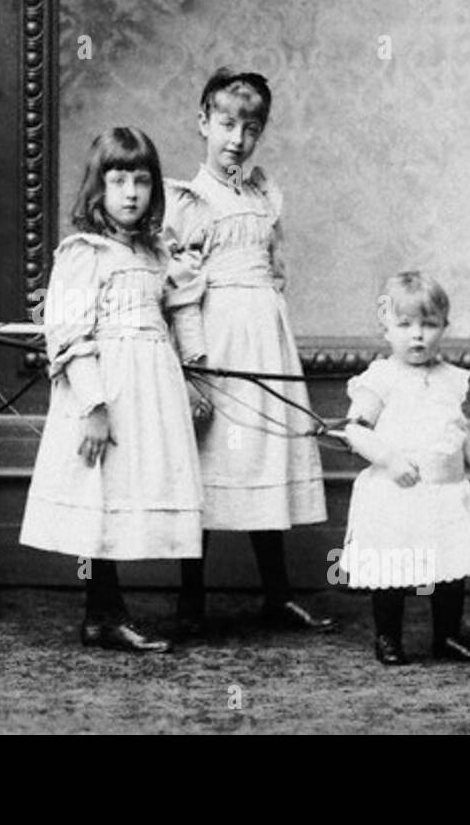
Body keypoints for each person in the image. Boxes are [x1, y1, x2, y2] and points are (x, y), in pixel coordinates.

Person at [163, 68, 334, 636]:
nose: (237, 139)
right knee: (209, 463)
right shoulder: (188, 201)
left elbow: (275, 270)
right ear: (203, 123)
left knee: (264, 453)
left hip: (266, 334)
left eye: (250, 127)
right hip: (218, 339)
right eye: (227, 124)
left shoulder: (264, 196)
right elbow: (181, 288)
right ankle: (191, 598)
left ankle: (277, 594)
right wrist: (194, 365)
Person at [20, 127, 204, 654]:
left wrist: (195, 374)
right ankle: (104, 611)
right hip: (108, 389)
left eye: (141, 181)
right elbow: (70, 333)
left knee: (128, 490)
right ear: (97, 188)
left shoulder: (154, 253)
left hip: (153, 388)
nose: (130, 193)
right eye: (118, 180)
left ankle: (104, 615)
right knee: (100, 494)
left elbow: (180, 308)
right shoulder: (85, 253)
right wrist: (94, 406)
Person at [338, 272, 470, 665]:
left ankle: (446, 636)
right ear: (386, 330)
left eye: (429, 325)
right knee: (392, 569)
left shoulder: (449, 378)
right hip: (399, 490)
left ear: (444, 327)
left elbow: (458, 430)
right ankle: (388, 637)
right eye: (405, 325)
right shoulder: (381, 378)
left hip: (444, 490)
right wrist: (391, 460)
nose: (418, 335)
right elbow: (354, 431)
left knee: (449, 568)